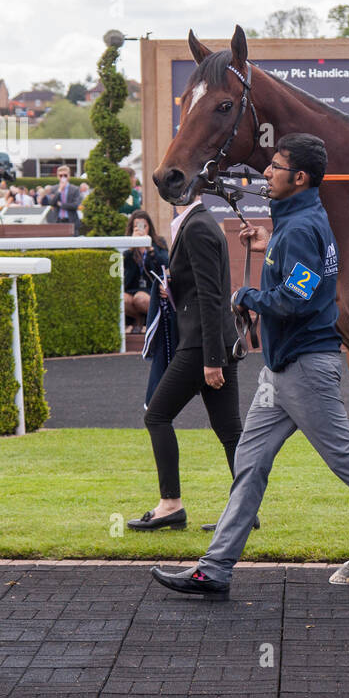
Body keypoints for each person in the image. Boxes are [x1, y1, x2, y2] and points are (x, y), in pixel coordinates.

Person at [150, 133, 349, 602]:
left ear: (299, 177)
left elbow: (298, 298)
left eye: (275, 166)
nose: (266, 172)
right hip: (282, 372)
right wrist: (270, 243)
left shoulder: (301, 227)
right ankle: (216, 568)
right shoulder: (299, 221)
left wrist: (247, 297)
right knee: (249, 460)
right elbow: (306, 274)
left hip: (305, 369)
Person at [131, 197, 245, 534]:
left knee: (157, 415)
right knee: (229, 431)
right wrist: (173, 290)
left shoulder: (196, 227)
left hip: (202, 346)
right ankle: (244, 508)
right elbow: (203, 291)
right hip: (214, 342)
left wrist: (212, 361)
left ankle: (170, 505)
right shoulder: (200, 223)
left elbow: (212, 298)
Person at [122, 209, 168, 332]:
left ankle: (154, 321)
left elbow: (165, 263)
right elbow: (121, 264)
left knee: (140, 298)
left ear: (149, 227)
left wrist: (149, 249)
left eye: (143, 226)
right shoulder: (127, 244)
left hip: (150, 288)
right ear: (132, 227)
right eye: (136, 226)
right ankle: (139, 319)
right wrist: (132, 247)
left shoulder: (158, 242)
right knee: (121, 299)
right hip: (131, 288)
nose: (140, 229)